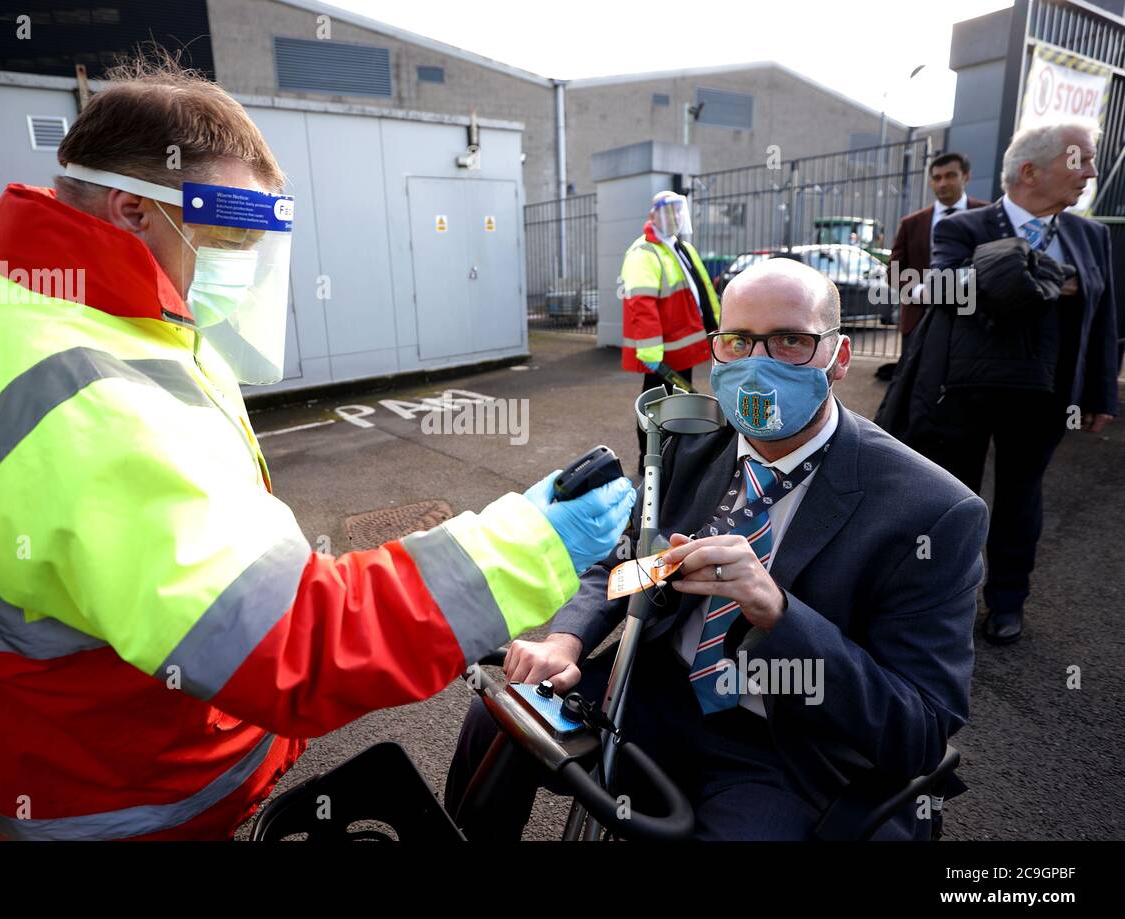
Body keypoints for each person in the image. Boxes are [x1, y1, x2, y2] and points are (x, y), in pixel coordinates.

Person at [0, 56, 635, 840]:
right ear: (132, 210)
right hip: (124, 810)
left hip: (65, 756)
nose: (240, 266)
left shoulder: (25, 294)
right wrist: (530, 538)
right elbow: (295, 640)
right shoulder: (86, 395)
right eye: (223, 237)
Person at [445, 258, 987, 840]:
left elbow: (919, 727)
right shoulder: (692, 445)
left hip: (784, 748)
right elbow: (632, 562)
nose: (757, 363)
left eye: (789, 341)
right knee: (499, 721)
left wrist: (777, 613)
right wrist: (566, 638)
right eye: (737, 341)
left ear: (839, 358)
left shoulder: (931, 510)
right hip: (655, 690)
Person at [911, 119, 1117, 645]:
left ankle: (1007, 602)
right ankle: (943, 600)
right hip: (966, 394)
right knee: (956, 499)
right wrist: (1035, 276)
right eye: (1080, 161)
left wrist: (1100, 394)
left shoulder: (1090, 235)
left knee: (1021, 501)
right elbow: (939, 291)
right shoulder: (966, 227)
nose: (1090, 173)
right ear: (1029, 171)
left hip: (1046, 398)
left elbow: (1103, 319)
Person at [620, 191, 719, 451]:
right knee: (655, 406)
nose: (674, 217)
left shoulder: (681, 248)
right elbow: (642, 305)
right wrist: (652, 353)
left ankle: (674, 454)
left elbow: (703, 290)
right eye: (668, 211)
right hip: (662, 352)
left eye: (678, 211)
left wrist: (718, 327)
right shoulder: (645, 252)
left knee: (678, 404)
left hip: (681, 345)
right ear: (653, 215)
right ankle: (649, 458)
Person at [889, 152, 989, 339]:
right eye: (937, 178)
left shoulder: (987, 215)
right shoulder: (911, 223)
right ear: (931, 182)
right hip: (920, 319)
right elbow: (893, 271)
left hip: (975, 320)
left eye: (950, 175)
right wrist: (919, 292)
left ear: (966, 176)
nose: (943, 183)